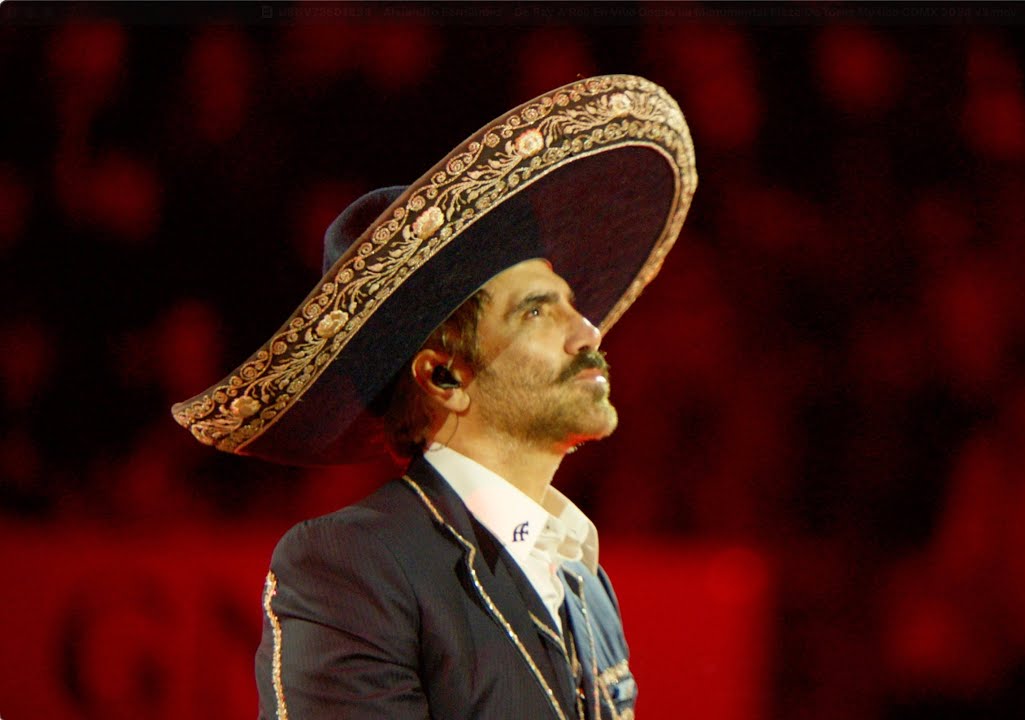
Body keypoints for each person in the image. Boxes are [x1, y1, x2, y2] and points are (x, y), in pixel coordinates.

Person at [171, 75, 696, 720]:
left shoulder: (577, 569)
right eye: (537, 312)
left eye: (571, 305)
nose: (587, 332)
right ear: (444, 377)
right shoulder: (352, 566)